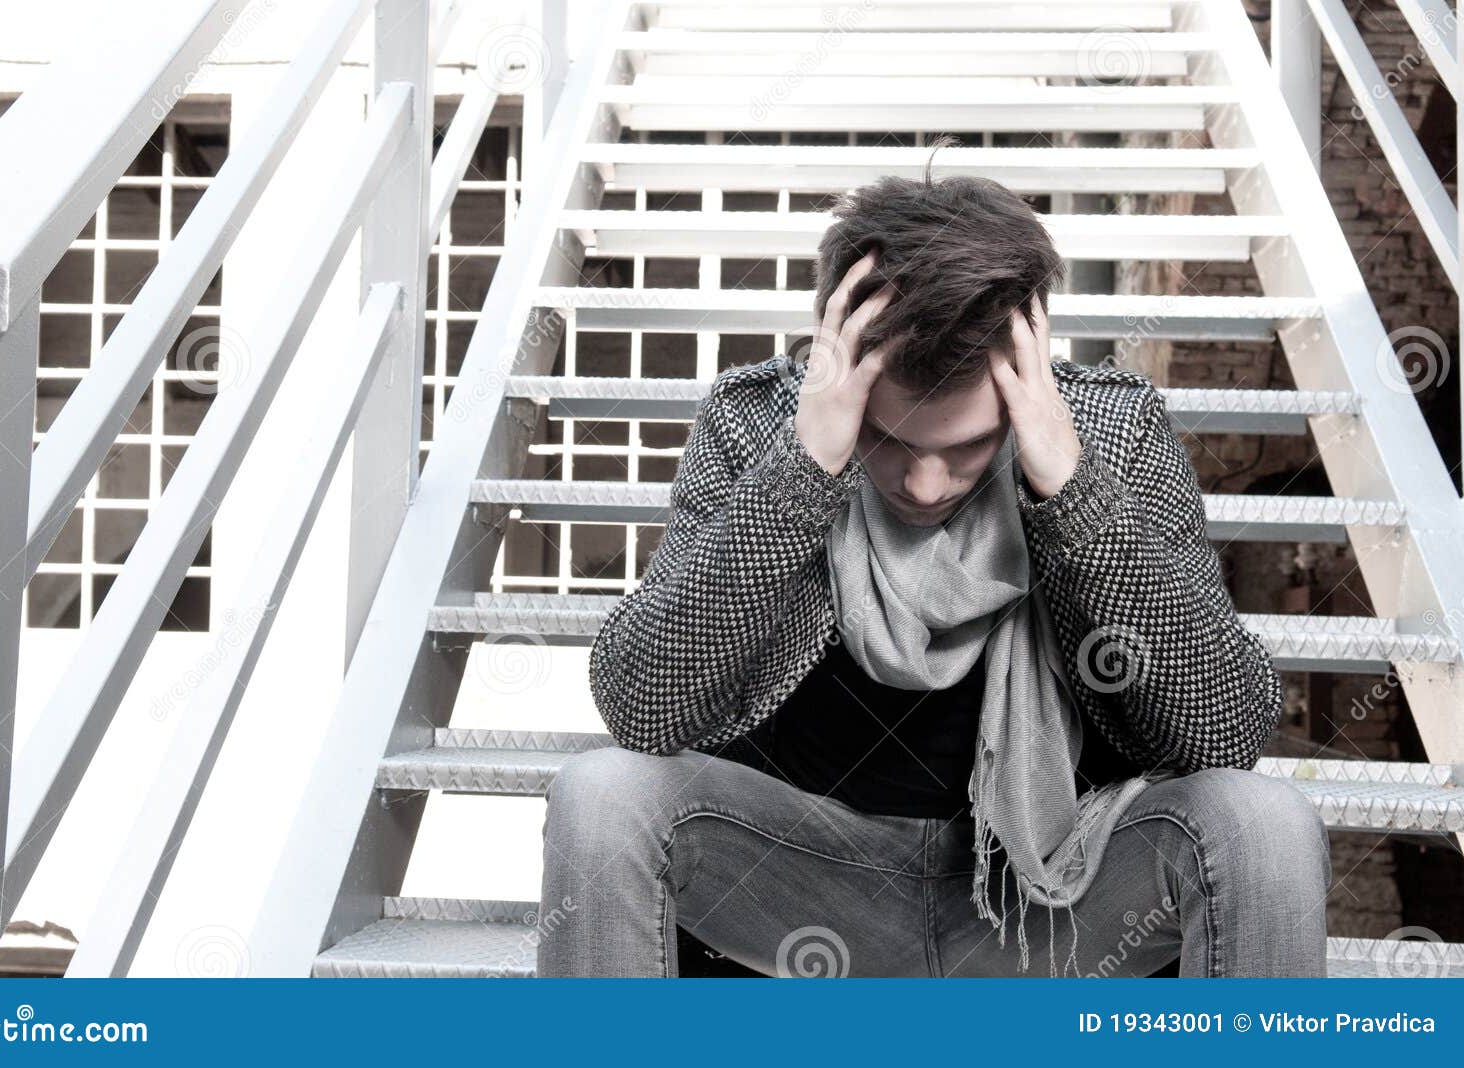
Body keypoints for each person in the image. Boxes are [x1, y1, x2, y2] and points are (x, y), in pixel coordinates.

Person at [536, 152, 1330, 978]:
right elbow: (643, 707)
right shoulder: (762, 425)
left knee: (1260, 821)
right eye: (888, 440)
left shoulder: (1109, 434)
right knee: (602, 797)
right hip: (805, 883)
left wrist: (1071, 490)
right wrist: (802, 474)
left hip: (1048, 898)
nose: (922, 482)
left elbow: (1225, 730)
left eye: (965, 448)